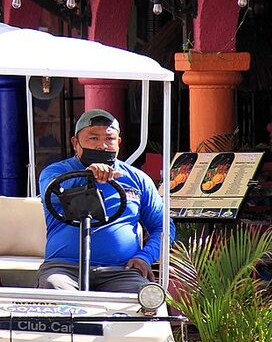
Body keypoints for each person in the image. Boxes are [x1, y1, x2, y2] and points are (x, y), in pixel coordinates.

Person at [37, 109, 174, 293]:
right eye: (93, 138)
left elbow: (164, 226)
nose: (102, 146)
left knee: (141, 296)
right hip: (64, 268)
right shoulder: (55, 172)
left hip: (120, 271)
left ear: (118, 142)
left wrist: (145, 257)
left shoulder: (137, 179)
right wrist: (88, 175)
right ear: (75, 143)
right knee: (54, 287)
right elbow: (51, 192)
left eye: (109, 139)